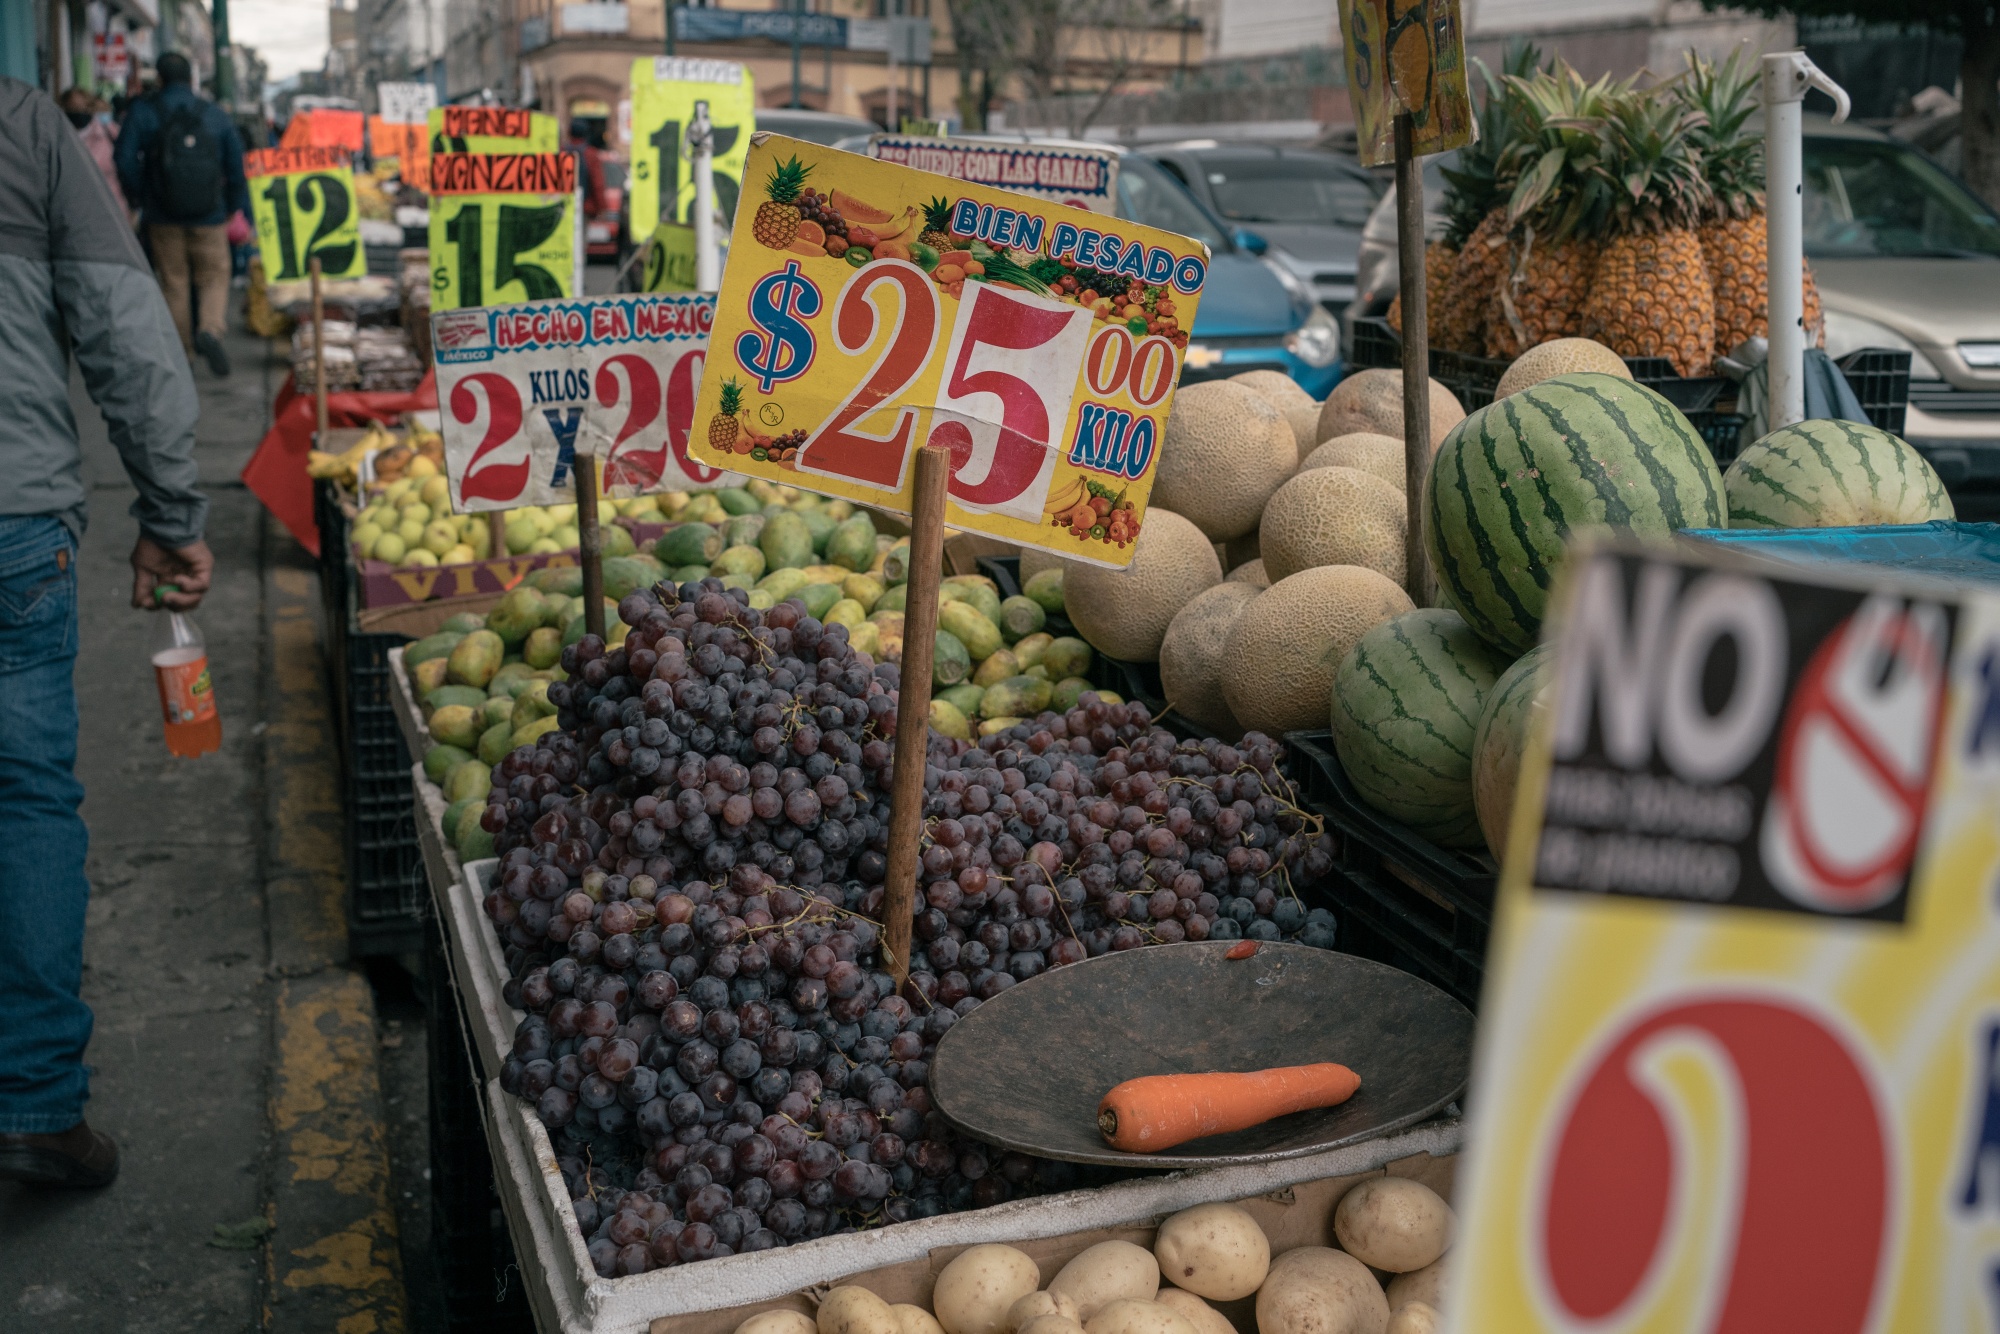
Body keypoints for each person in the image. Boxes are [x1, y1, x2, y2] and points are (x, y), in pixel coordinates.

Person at [0, 77, 213, 1189]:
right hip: (9, 520)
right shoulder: (20, 124)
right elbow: (125, 334)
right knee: (25, 796)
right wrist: (170, 517)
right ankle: (32, 1103)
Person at [113, 51, 247, 378]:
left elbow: (124, 159)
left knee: (174, 282)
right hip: (210, 215)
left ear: (158, 78)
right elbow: (236, 166)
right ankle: (211, 329)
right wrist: (232, 207)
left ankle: (183, 352)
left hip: (162, 215)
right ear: (192, 78)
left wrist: (139, 198)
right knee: (214, 276)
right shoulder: (215, 114)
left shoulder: (143, 112)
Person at [58, 87, 128, 219]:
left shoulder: (109, 133)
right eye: (74, 108)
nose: (80, 112)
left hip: (110, 211)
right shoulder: (57, 139)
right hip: (73, 214)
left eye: (84, 108)